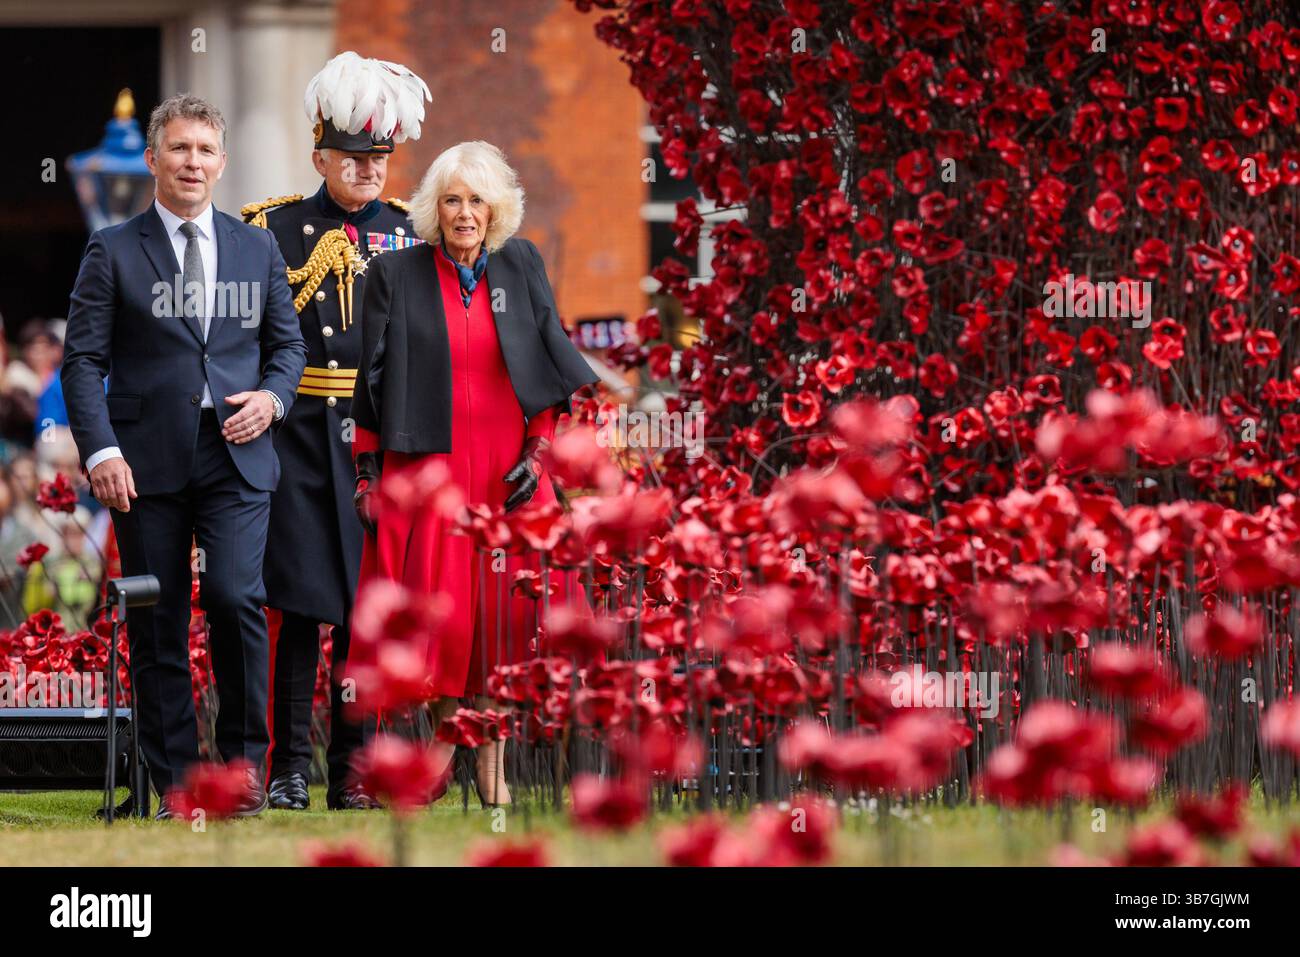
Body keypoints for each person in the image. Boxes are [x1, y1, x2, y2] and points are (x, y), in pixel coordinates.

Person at [61, 93, 306, 819]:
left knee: (235, 597)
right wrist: (100, 447)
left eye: (205, 150)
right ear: (154, 159)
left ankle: (241, 775)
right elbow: (82, 362)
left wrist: (273, 399)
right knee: (157, 622)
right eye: (180, 148)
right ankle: (174, 785)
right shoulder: (110, 247)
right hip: (142, 461)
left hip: (238, 453)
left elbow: (287, 348)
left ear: (222, 162)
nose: (192, 161)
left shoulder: (256, 247)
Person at [350, 141, 598, 808]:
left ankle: (486, 770)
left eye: (478, 200)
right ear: (434, 209)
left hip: (507, 475)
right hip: (426, 473)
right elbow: (369, 386)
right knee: (444, 627)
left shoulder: (521, 264)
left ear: (498, 209)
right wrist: (368, 471)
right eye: (453, 199)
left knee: (505, 624)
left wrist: (539, 452)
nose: (466, 213)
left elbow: (549, 369)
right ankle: (442, 754)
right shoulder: (395, 274)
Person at [242, 51, 431, 812]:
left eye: (378, 159)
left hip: (369, 444)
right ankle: (289, 769)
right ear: (320, 155)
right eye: (352, 158)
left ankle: (353, 767)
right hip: (294, 438)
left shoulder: (410, 234)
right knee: (296, 605)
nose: (367, 171)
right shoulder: (271, 226)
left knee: (360, 609)